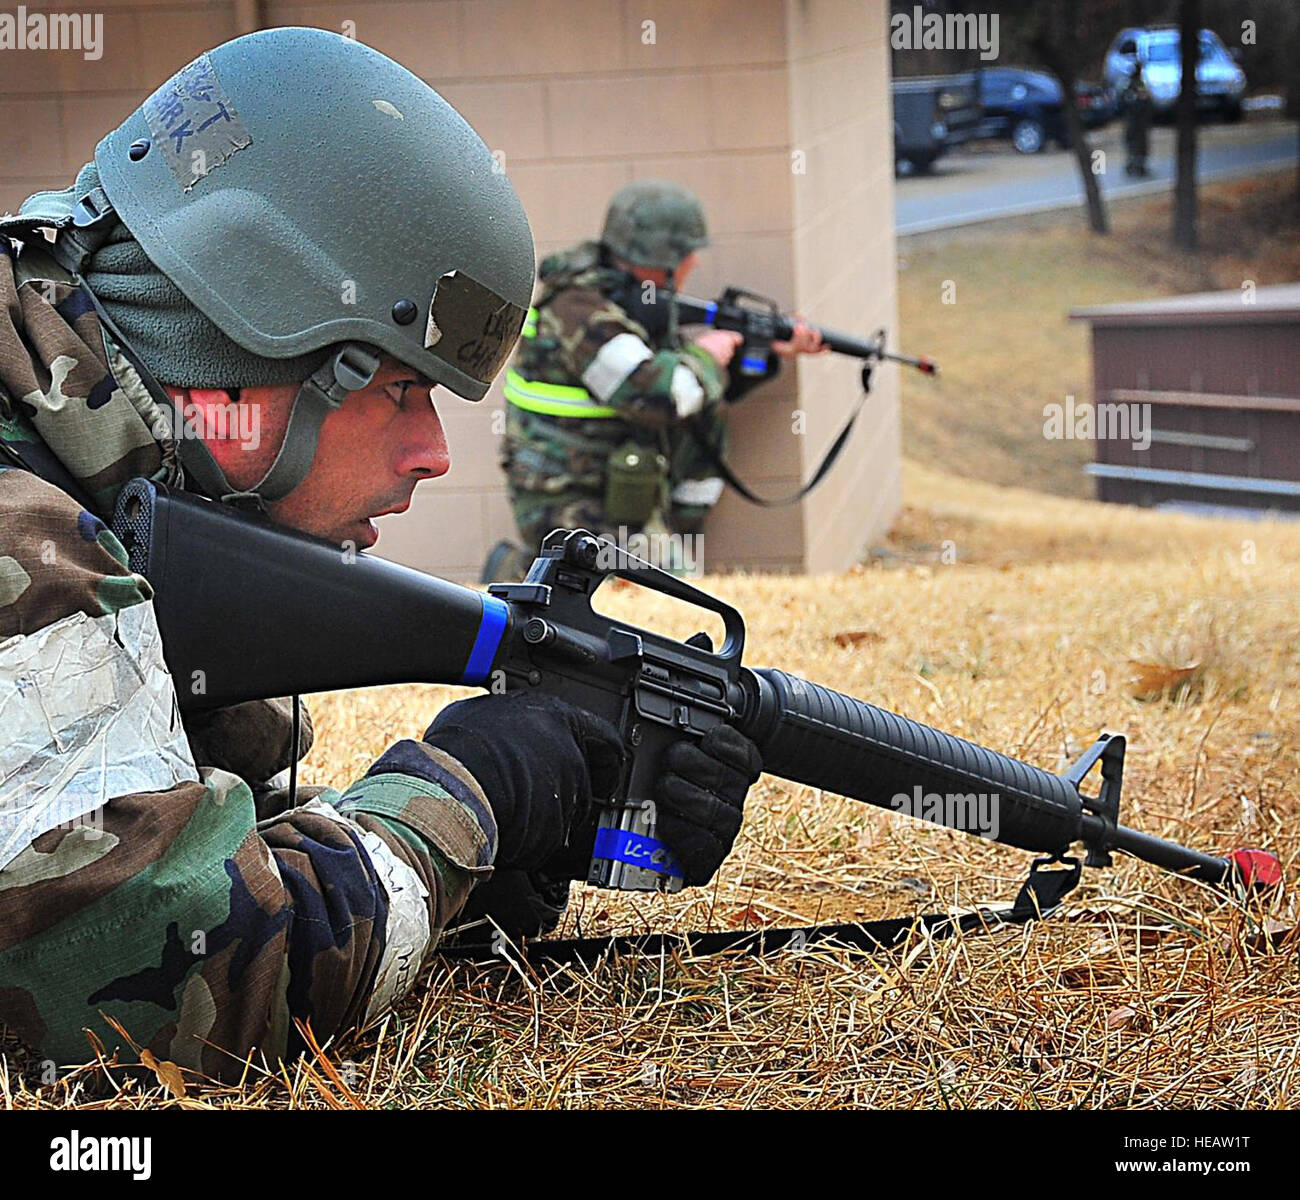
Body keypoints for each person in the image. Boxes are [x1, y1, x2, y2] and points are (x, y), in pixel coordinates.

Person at [0, 28, 762, 1083]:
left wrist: (471, 878)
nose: (434, 455)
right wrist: (475, 791)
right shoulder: (20, 533)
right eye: (401, 389)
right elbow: (159, 975)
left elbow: (210, 847)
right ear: (238, 351)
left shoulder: (109, 484)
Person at [485, 180, 825, 581]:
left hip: (613, 486)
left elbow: (689, 383)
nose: (694, 264)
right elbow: (660, 395)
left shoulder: (629, 299)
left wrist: (762, 350)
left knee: (666, 572)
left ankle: (660, 538)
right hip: (566, 496)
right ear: (659, 257)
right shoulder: (579, 309)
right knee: (681, 589)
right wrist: (708, 353)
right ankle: (515, 572)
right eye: (686, 254)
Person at [1123, 64, 1152, 178]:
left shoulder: (1139, 86)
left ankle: (1137, 165)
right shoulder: (1132, 87)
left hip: (1138, 121)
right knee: (1135, 144)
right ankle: (1134, 165)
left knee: (1138, 144)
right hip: (1134, 121)